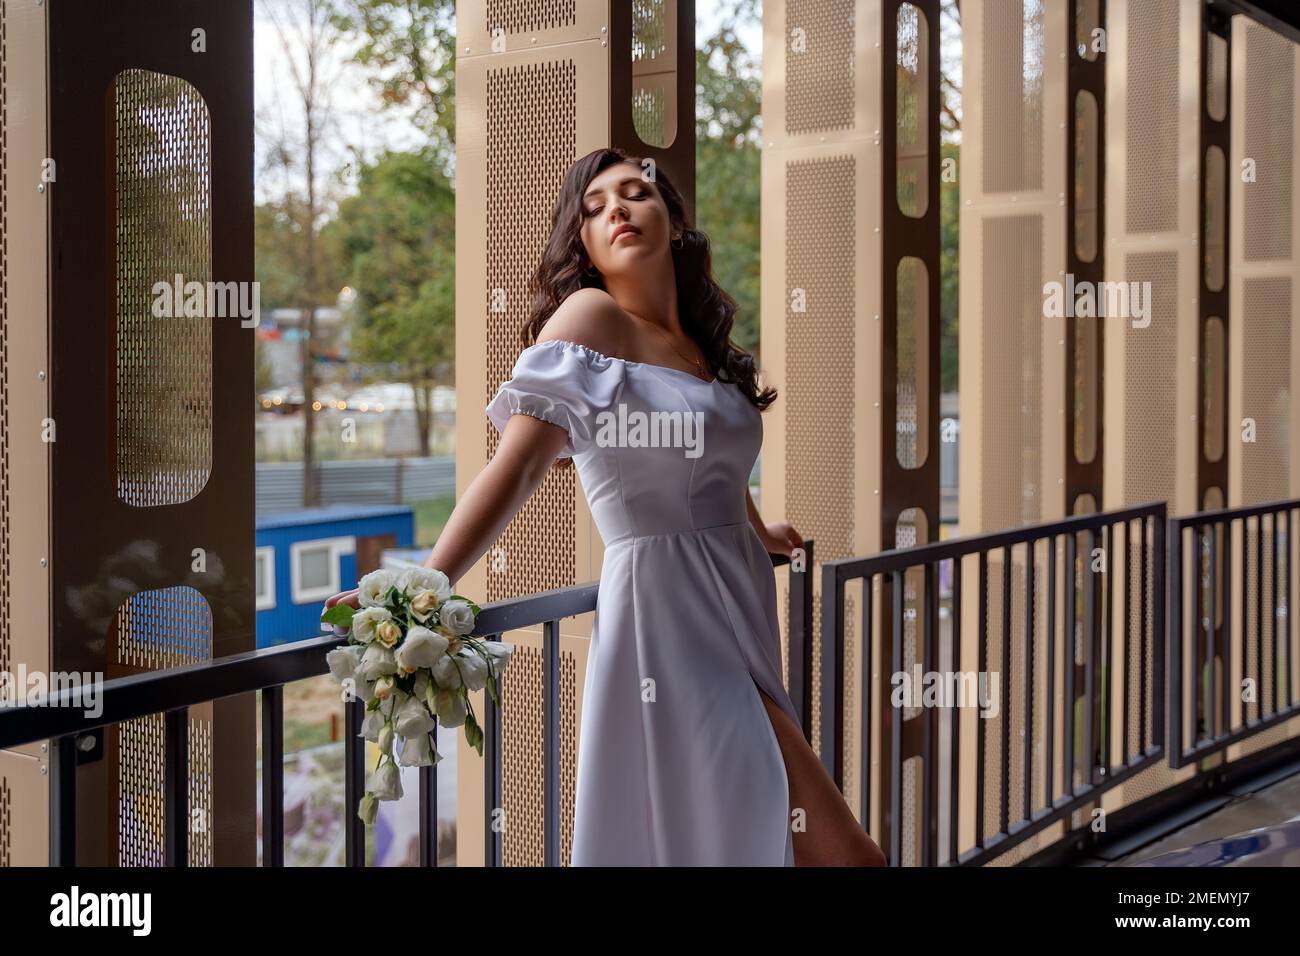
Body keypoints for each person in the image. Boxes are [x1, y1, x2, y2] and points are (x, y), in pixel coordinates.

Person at [325, 146, 886, 867]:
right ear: (584, 246)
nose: (616, 209)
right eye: (593, 209)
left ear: (674, 221)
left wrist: (757, 529)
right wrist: (425, 586)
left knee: (754, 834)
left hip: (739, 597)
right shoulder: (591, 318)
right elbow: (520, 464)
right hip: (668, 621)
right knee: (843, 853)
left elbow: (711, 462)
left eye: (635, 194)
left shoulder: (701, 348)